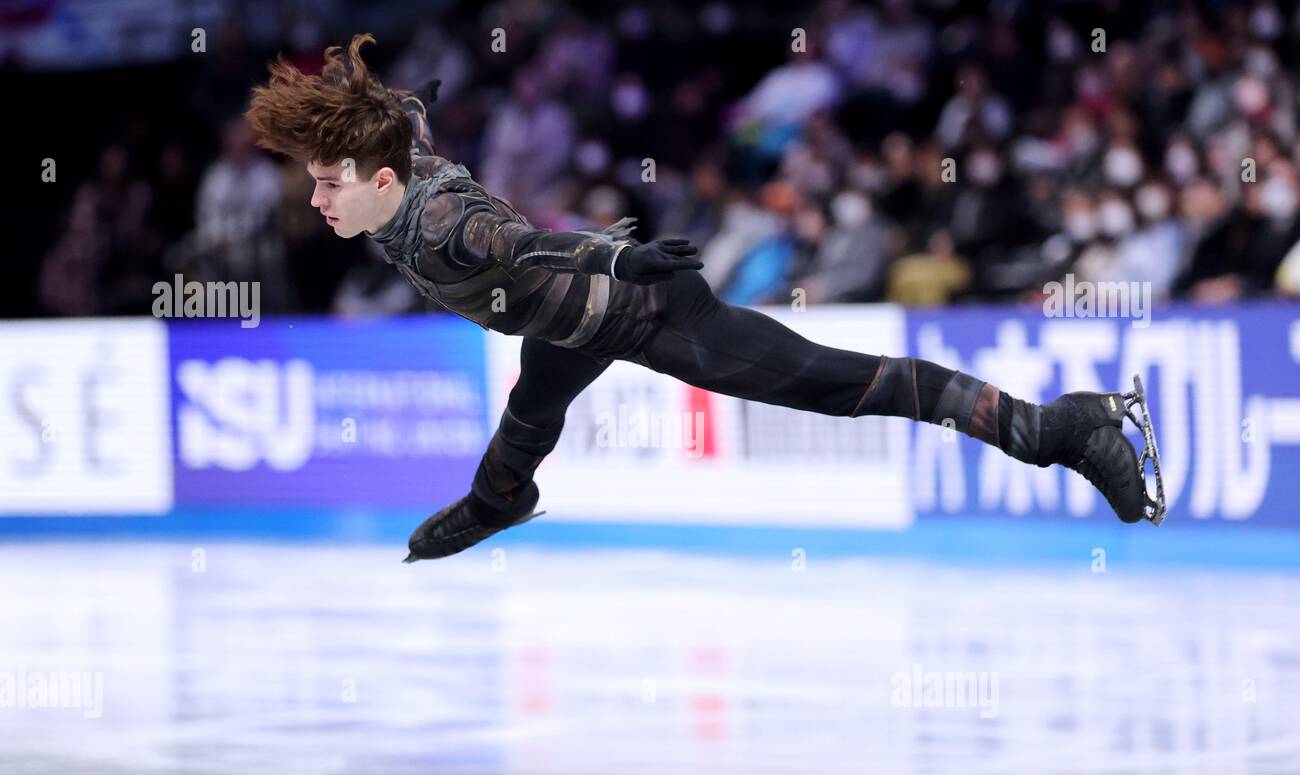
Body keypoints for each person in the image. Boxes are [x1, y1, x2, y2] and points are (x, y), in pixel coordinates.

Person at [244, 35, 1166, 562]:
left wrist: (614, 264)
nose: (317, 200)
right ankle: (500, 498)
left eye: (329, 183)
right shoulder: (405, 165)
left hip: (653, 315)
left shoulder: (442, 217)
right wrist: (404, 101)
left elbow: (522, 243)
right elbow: (407, 120)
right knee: (533, 403)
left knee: (845, 383)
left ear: (381, 181)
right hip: (573, 322)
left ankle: (1055, 430)